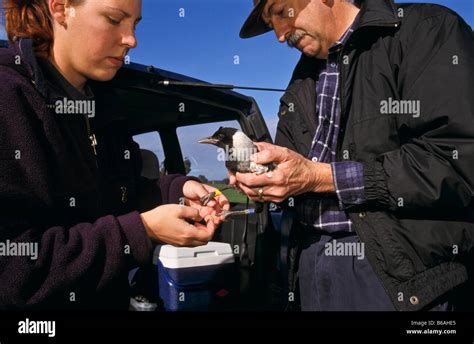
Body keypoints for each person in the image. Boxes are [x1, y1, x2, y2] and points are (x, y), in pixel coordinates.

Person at [233, 0, 474, 311]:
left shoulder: (424, 30)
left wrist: (323, 178)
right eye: (271, 24)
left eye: (281, 12)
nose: (280, 34)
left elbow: (456, 158)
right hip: (310, 266)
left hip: (403, 280)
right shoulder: (299, 83)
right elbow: (292, 176)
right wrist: (264, 181)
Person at [0, 0, 229, 309]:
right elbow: (13, 270)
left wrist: (177, 190)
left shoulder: (105, 108)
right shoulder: (9, 98)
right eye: (114, 19)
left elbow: (124, 196)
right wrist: (142, 231)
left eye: (135, 24)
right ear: (60, 8)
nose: (132, 40)